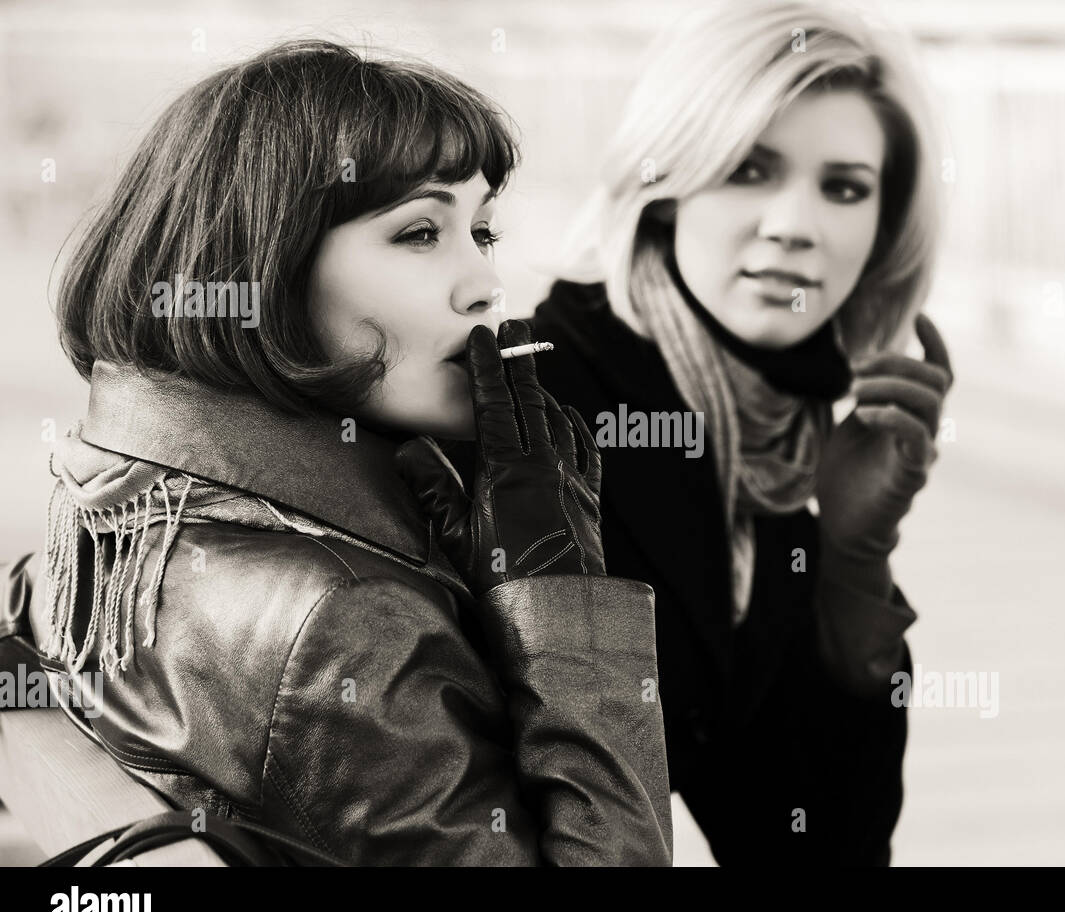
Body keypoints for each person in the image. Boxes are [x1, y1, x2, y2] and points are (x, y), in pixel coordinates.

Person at [0, 40, 673, 865]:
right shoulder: (349, 620)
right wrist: (563, 603)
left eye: (483, 229)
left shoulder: (103, 493)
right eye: (421, 232)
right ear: (266, 266)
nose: (485, 284)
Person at [526, 0, 952, 865]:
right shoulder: (540, 415)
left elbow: (813, 845)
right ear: (667, 186)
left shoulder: (776, 448)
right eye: (750, 170)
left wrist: (849, 568)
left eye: (843, 187)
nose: (797, 225)